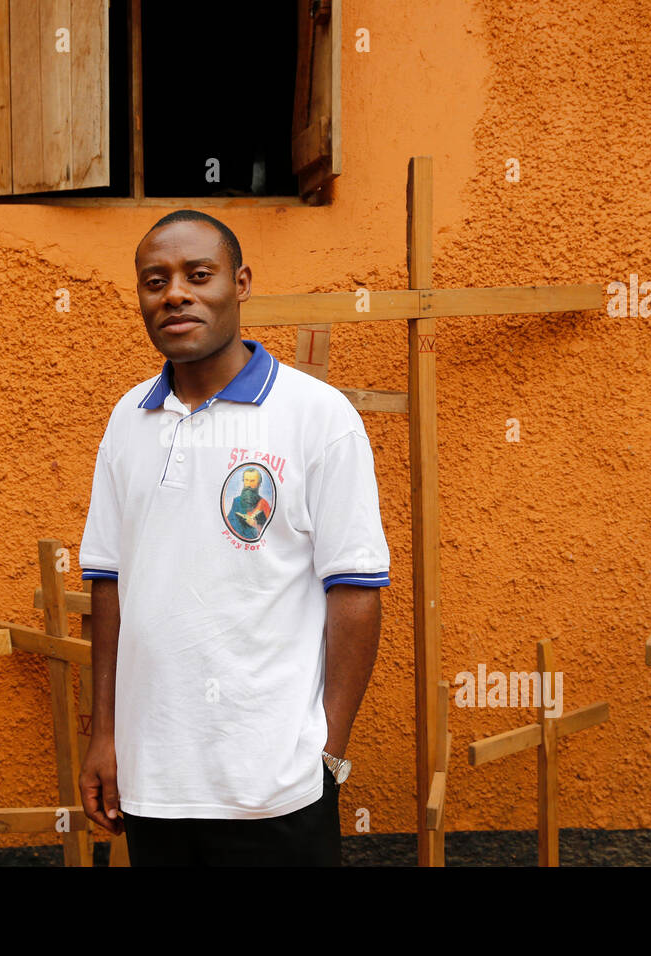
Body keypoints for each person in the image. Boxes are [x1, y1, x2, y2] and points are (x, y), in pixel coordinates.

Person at [77, 210, 390, 866]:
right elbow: (107, 581)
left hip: (274, 788)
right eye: (154, 281)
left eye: (198, 275)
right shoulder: (128, 419)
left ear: (240, 283)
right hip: (153, 782)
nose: (175, 294)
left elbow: (356, 590)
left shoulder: (316, 417)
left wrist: (326, 750)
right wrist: (104, 734)